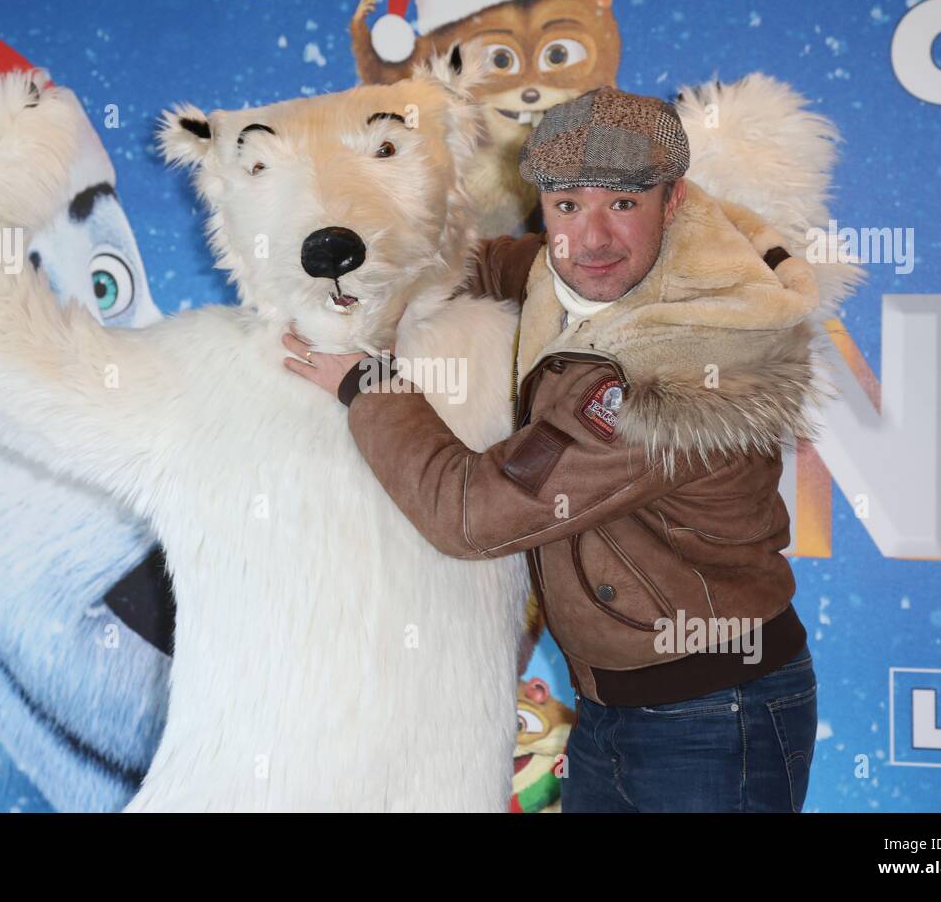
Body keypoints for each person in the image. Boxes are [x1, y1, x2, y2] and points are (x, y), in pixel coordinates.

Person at [284, 86, 821, 812]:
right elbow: (492, 266)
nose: (591, 238)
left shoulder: (686, 357)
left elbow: (472, 515)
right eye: (567, 205)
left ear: (674, 199)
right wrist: (383, 272)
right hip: (610, 705)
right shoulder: (574, 270)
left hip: (713, 717)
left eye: (623, 203)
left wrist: (368, 386)